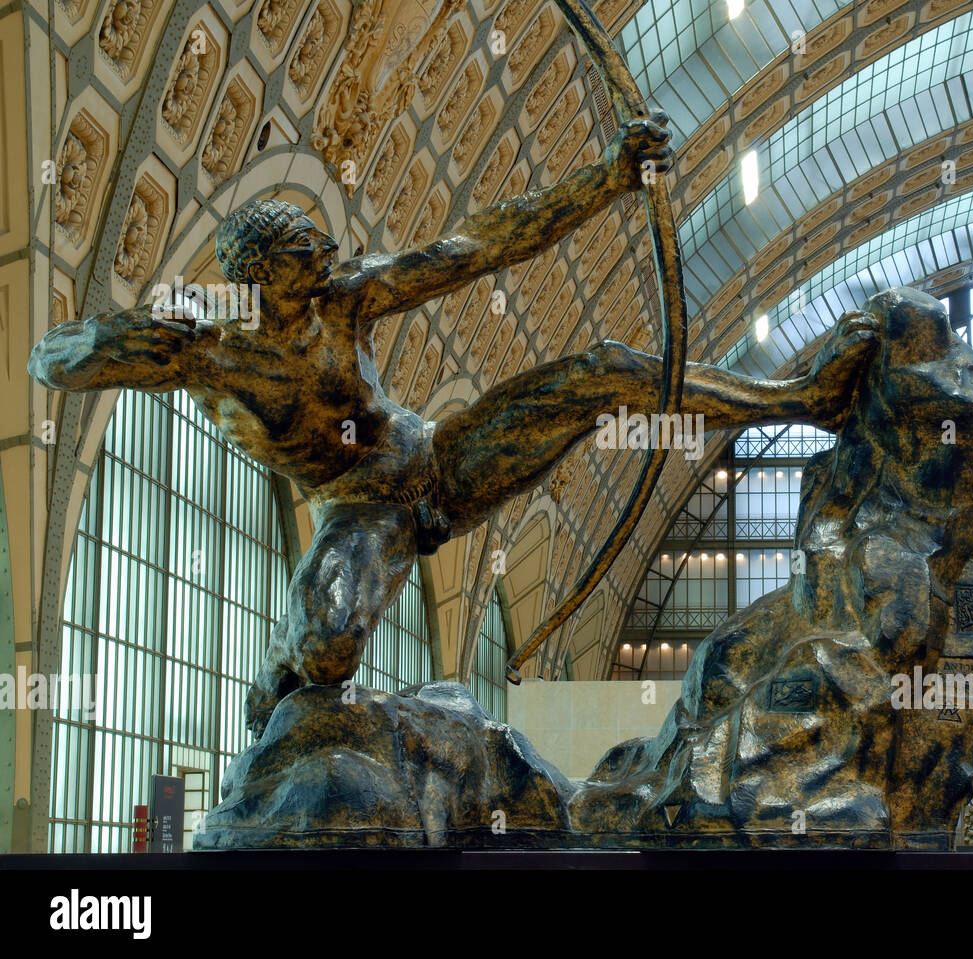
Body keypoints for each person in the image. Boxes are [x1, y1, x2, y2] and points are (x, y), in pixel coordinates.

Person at [30, 113, 877, 739]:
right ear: (259, 276)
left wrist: (611, 178)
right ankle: (281, 680)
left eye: (320, 247)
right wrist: (130, 340)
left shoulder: (348, 297)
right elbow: (55, 359)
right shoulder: (212, 360)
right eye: (303, 251)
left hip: (438, 462)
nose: (326, 253)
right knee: (325, 654)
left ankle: (800, 397)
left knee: (607, 372)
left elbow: (481, 246)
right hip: (365, 510)